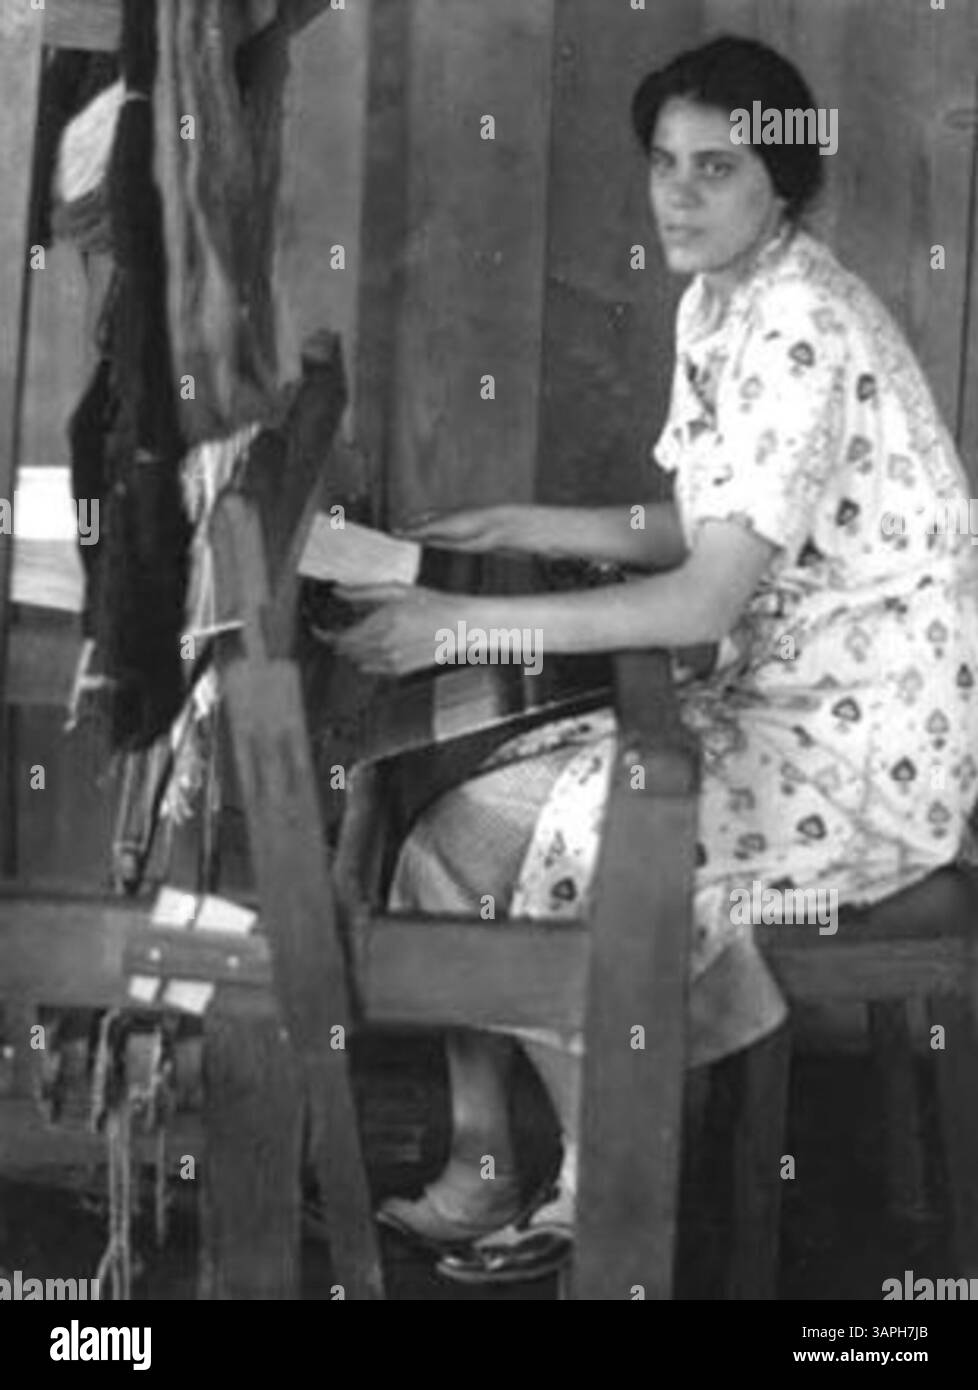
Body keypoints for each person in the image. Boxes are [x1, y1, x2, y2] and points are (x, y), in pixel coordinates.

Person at [331, 34, 978, 1284]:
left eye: (716, 168)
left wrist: (465, 626)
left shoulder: (801, 321)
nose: (677, 194)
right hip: (774, 690)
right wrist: (518, 524)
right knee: (448, 826)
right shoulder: (721, 299)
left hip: (866, 748)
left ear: (782, 186)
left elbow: (698, 600)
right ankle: (485, 1159)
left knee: (578, 843)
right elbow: (703, 523)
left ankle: (610, 1195)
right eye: (666, 163)